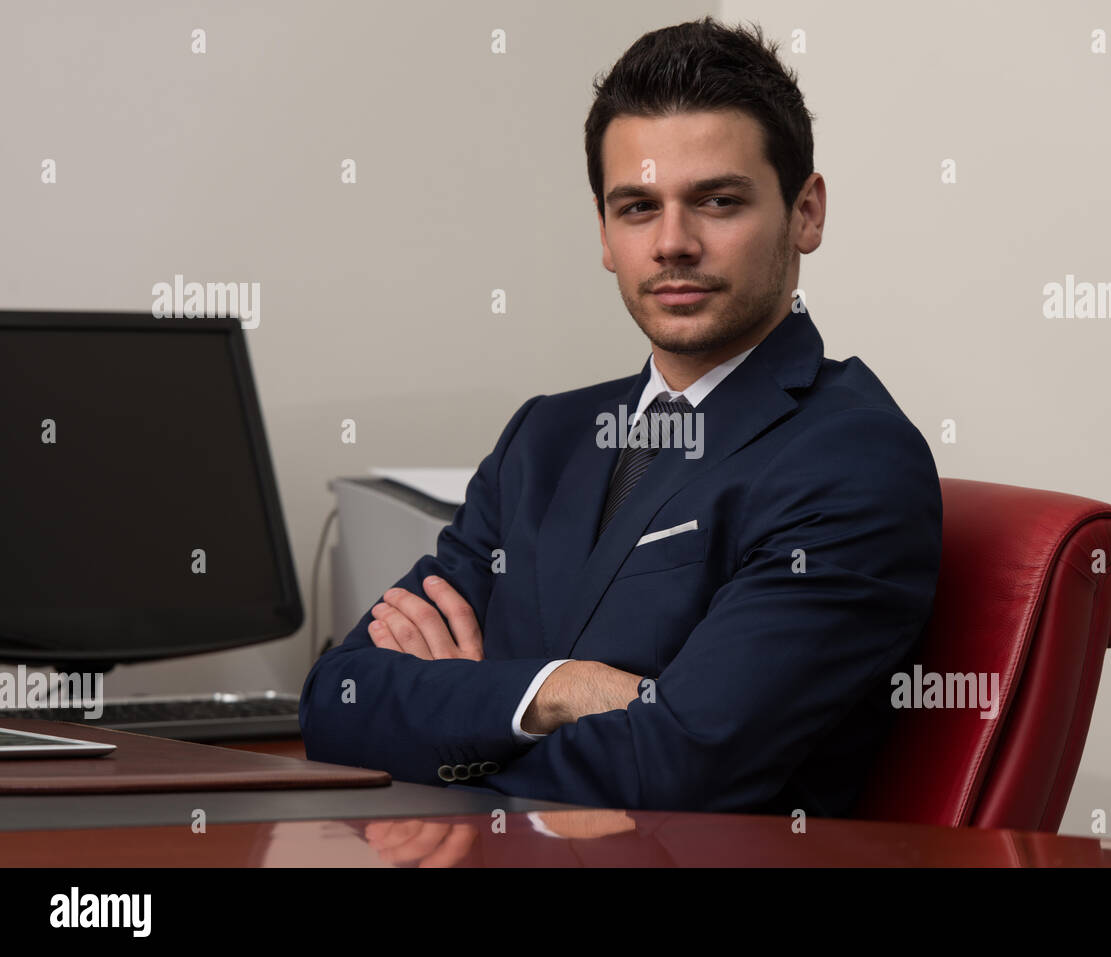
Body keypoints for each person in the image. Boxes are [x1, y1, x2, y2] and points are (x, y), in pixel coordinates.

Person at [299, 16, 942, 818]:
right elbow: (336, 697)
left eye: (717, 200)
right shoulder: (545, 438)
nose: (673, 242)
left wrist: (456, 714)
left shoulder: (852, 458)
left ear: (806, 213)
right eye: (637, 206)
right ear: (604, 232)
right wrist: (557, 689)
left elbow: (680, 766)